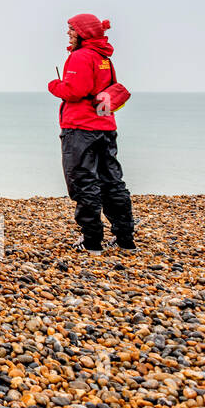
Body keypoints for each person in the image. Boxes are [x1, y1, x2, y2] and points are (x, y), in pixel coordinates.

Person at [47, 13, 136, 255]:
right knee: (112, 182)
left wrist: (54, 85)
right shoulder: (103, 57)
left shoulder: (80, 56)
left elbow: (76, 90)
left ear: (83, 32)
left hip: (80, 128)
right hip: (105, 127)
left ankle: (92, 241)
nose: (68, 33)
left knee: (83, 182)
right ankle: (125, 239)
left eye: (71, 29)